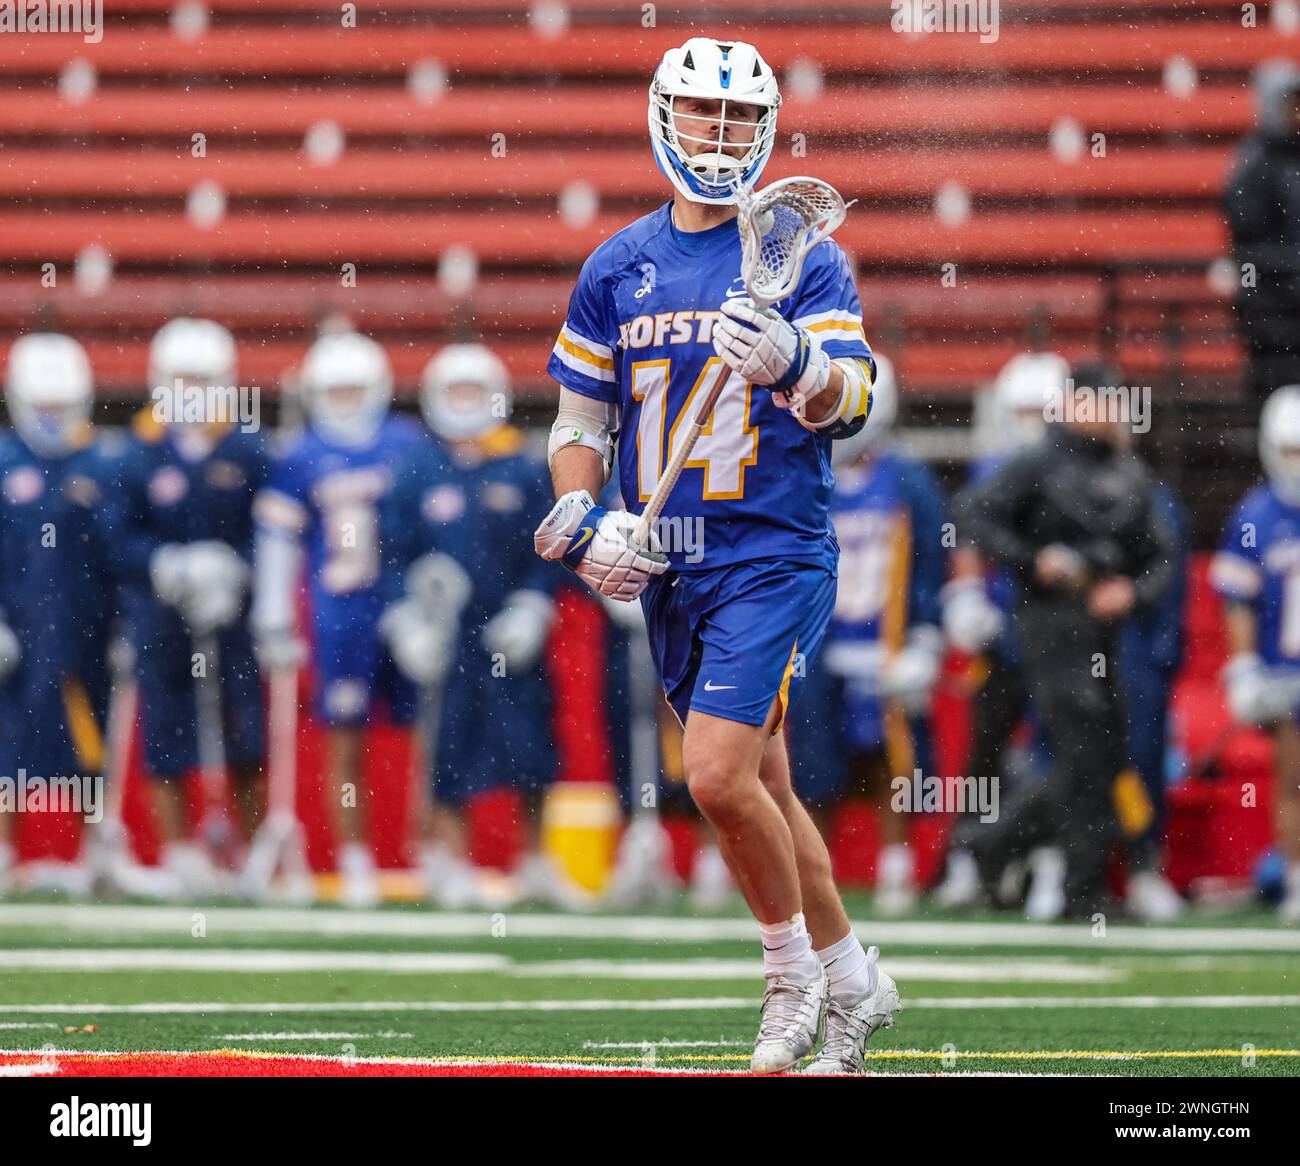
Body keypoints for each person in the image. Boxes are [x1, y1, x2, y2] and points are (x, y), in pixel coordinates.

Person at [532, 37, 900, 1075]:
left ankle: (789, 975)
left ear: (767, 127)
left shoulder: (804, 257)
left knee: (715, 774)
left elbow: (857, 402)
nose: (722, 134)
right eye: (704, 113)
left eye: (741, 118)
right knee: (768, 791)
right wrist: (577, 509)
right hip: (670, 567)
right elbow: (580, 419)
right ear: (665, 116)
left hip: (772, 550)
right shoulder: (618, 265)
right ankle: (856, 984)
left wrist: (797, 365)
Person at [956, 366, 1176, 918]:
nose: (1110, 413)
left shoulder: (1128, 472)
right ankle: (1068, 881)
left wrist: (1132, 590)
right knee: (1083, 751)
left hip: (1106, 630)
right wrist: (1035, 561)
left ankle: (1010, 849)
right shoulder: (1037, 462)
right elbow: (975, 515)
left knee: (1102, 754)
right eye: (1098, 401)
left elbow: (1162, 555)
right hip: (1049, 623)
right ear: (1075, 404)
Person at [380, 343, 570, 907]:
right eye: (455, 392)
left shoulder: (523, 462)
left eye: (474, 392)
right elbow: (392, 552)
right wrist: (407, 622)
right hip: (446, 633)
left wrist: (534, 607)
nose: (465, 403)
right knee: (448, 745)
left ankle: (535, 861)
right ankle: (447, 857)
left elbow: (553, 545)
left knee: (531, 743)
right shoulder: (417, 467)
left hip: (508, 628)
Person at [251, 330, 422, 908]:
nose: (347, 399)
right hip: (342, 614)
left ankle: (436, 853)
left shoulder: (407, 443)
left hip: (405, 608)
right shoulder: (301, 452)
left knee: (429, 734)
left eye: (356, 389)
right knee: (346, 742)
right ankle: (355, 860)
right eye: (336, 390)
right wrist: (273, 614)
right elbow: (277, 538)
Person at [109, 319, 268, 897]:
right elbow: (116, 536)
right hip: (161, 613)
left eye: (201, 378)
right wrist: (167, 565)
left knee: (242, 729)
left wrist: (236, 571)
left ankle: (247, 856)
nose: (191, 389)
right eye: (181, 378)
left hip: (233, 615)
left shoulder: (246, 447)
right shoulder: (138, 449)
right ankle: (178, 852)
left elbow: (268, 529)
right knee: (168, 726)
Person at [787, 354, 949, 915]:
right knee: (813, 766)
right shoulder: (804, 473)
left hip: (886, 642)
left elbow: (932, 563)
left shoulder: (908, 478)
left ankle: (898, 866)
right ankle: (815, 880)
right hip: (818, 641)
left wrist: (927, 638)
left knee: (892, 760)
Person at [934, 352, 1067, 911]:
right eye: (1022, 410)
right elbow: (968, 533)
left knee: (1055, 753)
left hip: (1060, 635)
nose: (1029, 421)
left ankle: (1048, 865)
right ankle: (971, 857)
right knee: (983, 754)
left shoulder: (1076, 472)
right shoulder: (994, 467)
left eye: (1040, 410)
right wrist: (966, 594)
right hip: (1004, 634)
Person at [0, 334, 116, 895]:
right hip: (14, 631)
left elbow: (117, 552)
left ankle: (96, 850)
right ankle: (3, 849)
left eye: (59, 405)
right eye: (41, 404)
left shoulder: (99, 463)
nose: (50, 417)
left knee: (88, 745)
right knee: (8, 744)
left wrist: (124, 625)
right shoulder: (3, 461)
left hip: (83, 629)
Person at [1210, 384, 1300, 922]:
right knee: (1293, 778)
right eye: (1290, 449)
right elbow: (1237, 599)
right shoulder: (1256, 514)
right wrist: (1243, 665)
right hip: (1285, 670)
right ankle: (1295, 875)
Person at [1224, 62, 1300, 398]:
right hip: (1273, 312)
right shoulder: (1254, 165)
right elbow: (1249, 244)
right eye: (1291, 104)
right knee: (1278, 395)